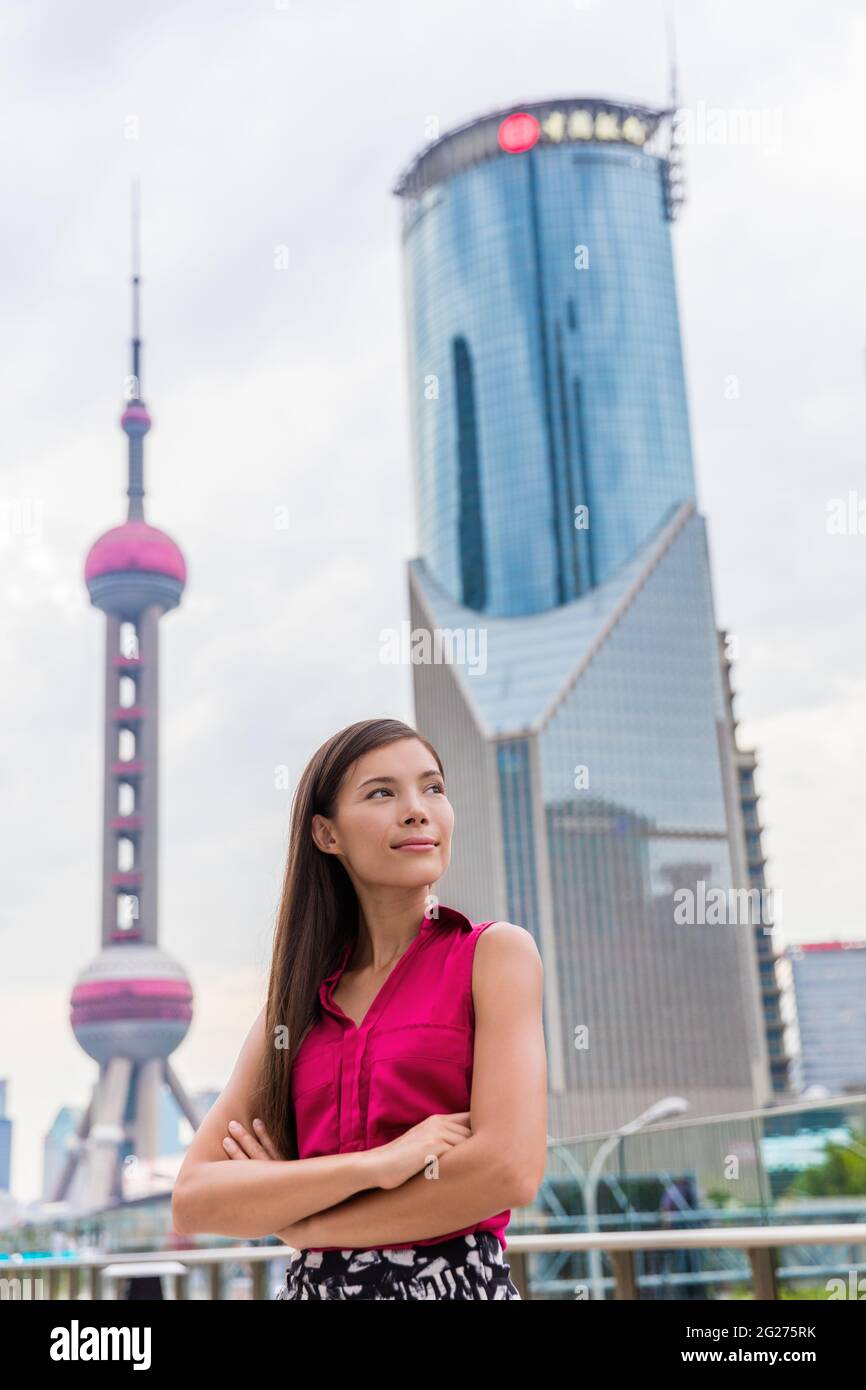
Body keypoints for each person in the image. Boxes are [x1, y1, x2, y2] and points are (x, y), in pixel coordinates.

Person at [172, 716, 547, 1300]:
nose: (418, 809)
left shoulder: (495, 955)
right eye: (382, 793)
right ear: (327, 835)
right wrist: (378, 1165)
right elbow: (196, 1198)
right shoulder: (292, 1006)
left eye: (433, 788)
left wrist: (302, 1223)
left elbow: (508, 1171)